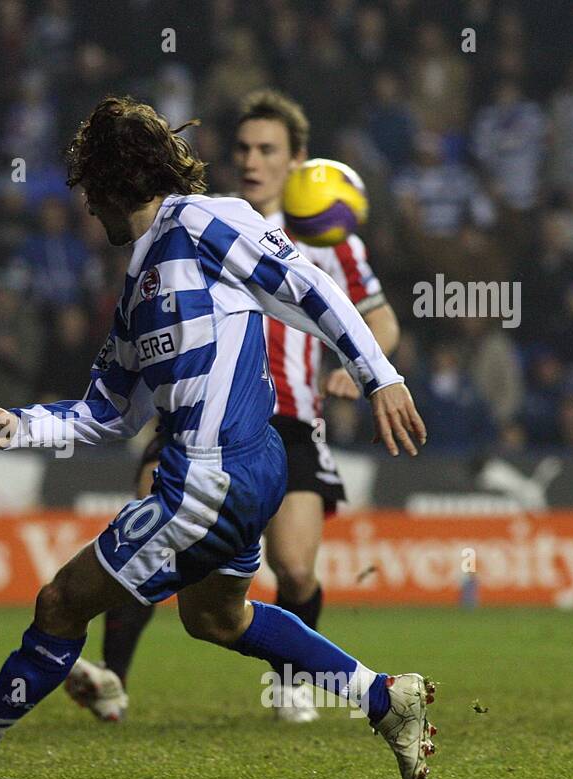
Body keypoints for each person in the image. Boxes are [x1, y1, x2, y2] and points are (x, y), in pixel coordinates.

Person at [0, 96, 435, 779]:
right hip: (243, 471)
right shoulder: (138, 287)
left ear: (112, 185)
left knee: (60, 601)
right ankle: (386, 697)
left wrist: (378, 375)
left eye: (88, 192)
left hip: (212, 474)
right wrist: (16, 424)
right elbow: (105, 413)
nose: (86, 210)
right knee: (216, 618)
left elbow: (308, 287)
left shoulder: (205, 220)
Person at [66, 90, 403, 725]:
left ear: (297, 159)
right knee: (146, 528)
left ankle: (295, 678)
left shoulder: (328, 235)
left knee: (294, 568)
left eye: (267, 149)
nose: (251, 160)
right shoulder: (209, 221)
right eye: (244, 147)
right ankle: (114, 677)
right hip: (195, 411)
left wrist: (354, 372)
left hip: (291, 419)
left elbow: (380, 320)